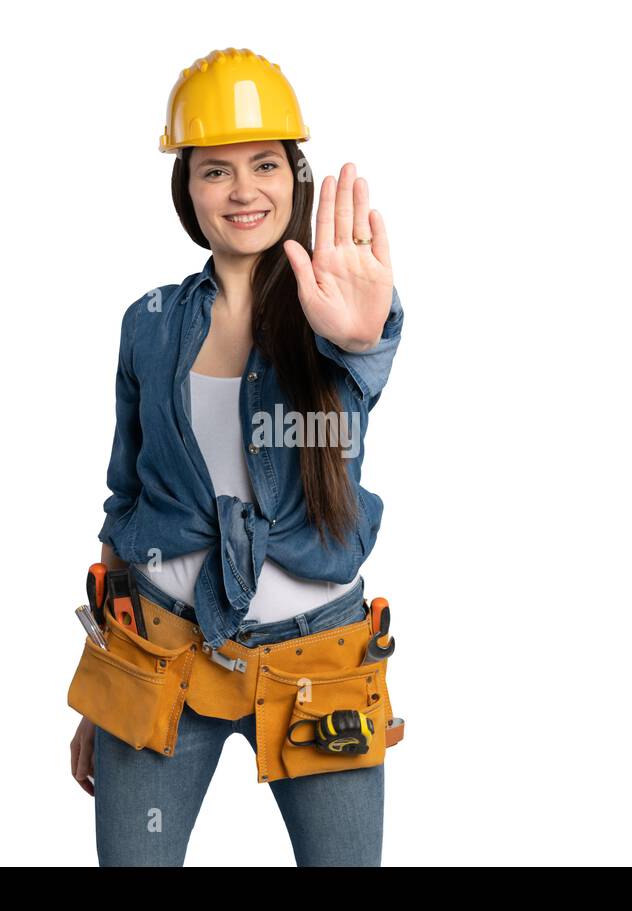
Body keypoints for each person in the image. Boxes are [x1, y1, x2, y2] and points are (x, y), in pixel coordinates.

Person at [69, 48, 403, 865]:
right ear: (187, 188)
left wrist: (365, 336)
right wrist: (99, 690)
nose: (243, 190)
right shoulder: (148, 322)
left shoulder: (336, 309)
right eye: (215, 170)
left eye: (263, 164)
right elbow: (126, 500)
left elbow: (367, 355)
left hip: (317, 669)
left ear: (296, 174)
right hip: (157, 663)